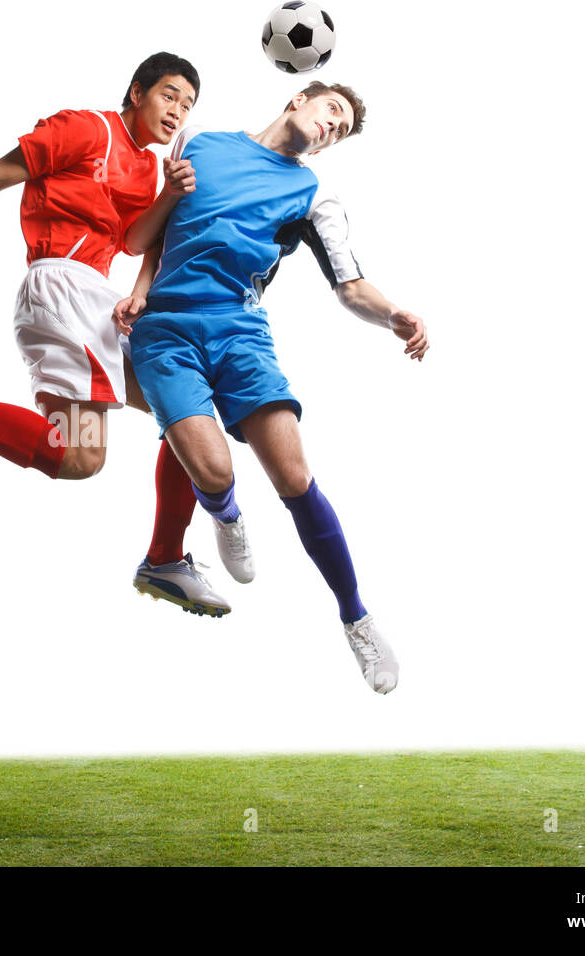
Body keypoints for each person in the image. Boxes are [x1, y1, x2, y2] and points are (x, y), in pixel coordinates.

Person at [0, 52, 251, 617]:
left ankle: (165, 558)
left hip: (96, 302)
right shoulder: (85, 129)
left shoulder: (145, 170)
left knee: (158, 424)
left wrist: (170, 197)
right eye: (169, 94)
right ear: (136, 92)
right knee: (122, 437)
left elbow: (135, 243)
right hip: (59, 289)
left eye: (187, 104)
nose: (176, 110)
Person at [119, 81, 430, 694]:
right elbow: (157, 231)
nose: (332, 127)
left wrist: (394, 314)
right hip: (165, 331)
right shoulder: (200, 143)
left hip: (241, 334)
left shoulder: (312, 194)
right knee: (211, 472)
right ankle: (225, 516)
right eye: (332, 111)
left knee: (293, 478)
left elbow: (350, 286)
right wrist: (138, 288)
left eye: (341, 130)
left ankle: (357, 620)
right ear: (300, 98)